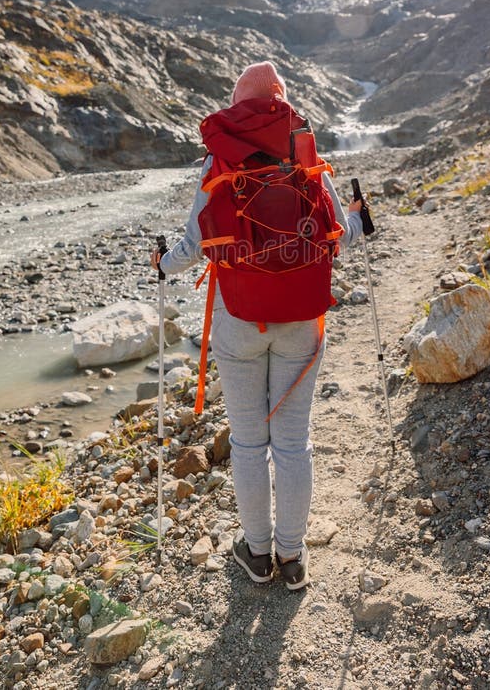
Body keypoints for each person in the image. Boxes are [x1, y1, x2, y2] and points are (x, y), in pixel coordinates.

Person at [152, 61, 363, 590]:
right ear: (281, 99)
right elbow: (342, 236)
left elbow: (193, 245)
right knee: (293, 443)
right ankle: (293, 559)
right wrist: (361, 214)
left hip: (238, 316)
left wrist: (161, 263)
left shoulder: (220, 156)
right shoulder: (307, 154)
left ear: (238, 103)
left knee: (249, 443)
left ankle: (258, 554)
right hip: (302, 317)